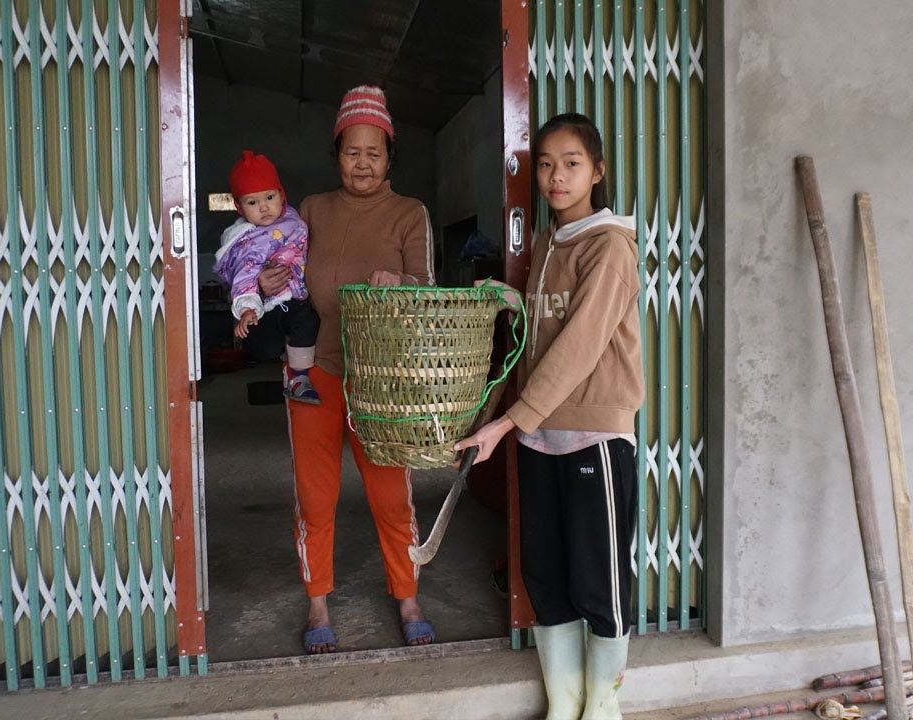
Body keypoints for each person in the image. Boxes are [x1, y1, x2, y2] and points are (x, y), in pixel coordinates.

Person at [455, 113, 644, 720]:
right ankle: (565, 706)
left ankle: (603, 709)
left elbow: (582, 343)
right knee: (546, 577)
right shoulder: (546, 245)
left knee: (599, 579)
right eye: (544, 164)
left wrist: (508, 421)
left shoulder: (609, 245)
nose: (555, 176)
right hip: (539, 438)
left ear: (598, 171)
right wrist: (510, 301)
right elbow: (540, 334)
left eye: (571, 163)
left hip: (593, 436)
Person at [257, 85, 436, 655]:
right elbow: (277, 268)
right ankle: (318, 602)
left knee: (390, 493)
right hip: (313, 372)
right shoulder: (310, 209)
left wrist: (401, 283)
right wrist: (267, 283)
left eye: (374, 153)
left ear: (389, 158)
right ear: (337, 154)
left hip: (382, 377)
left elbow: (427, 287)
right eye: (352, 151)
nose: (362, 162)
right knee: (315, 494)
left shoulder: (411, 213)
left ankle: (407, 596)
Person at [213, 150, 321, 404]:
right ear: (239, 207)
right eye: (252, 202)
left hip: (295, 299)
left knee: (308, 323)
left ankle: (299, 377)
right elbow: (244, 275)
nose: (263, 207)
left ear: (282, 196)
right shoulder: (245, 241)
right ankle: (281, 354)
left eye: (270, 197)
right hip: (265, 307)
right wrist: (248, 308)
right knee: (259, 342)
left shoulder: (295, 221)